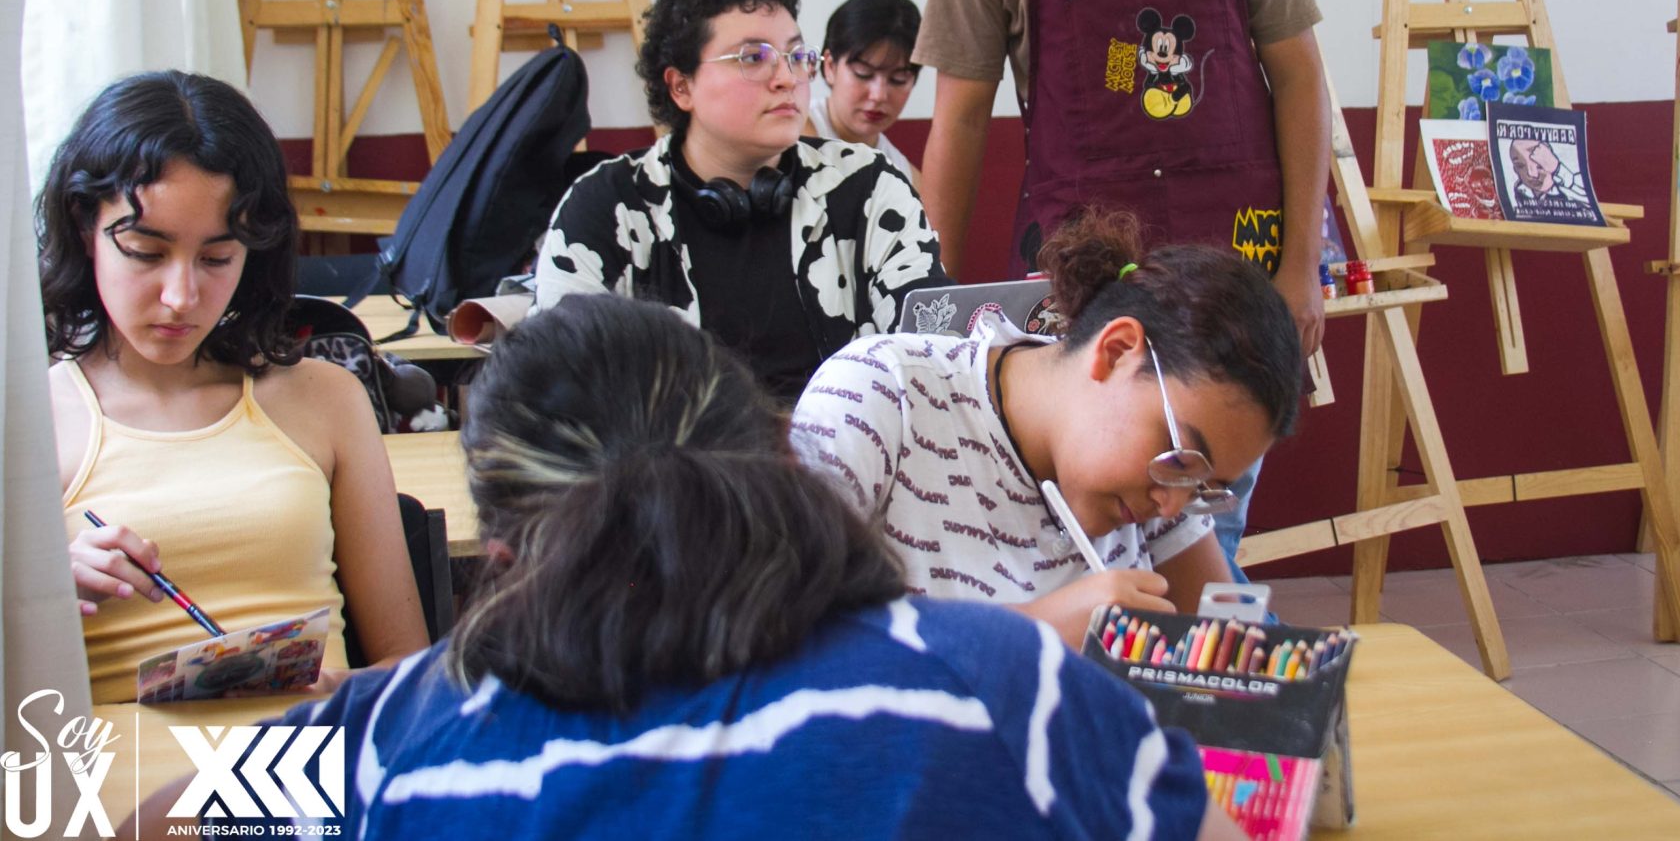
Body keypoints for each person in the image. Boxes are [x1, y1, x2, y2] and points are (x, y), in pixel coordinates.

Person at [136, 295, 1235, 840]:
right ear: (774, 457)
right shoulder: (997, 685)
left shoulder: (389, 736)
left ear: (503, 545)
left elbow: (152, 825)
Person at [914, 0, 1330, 566]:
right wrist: (928, 293)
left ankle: (1198, 652)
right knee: (1082, 534)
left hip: (1237, 272)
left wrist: (1304, 264)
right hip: (1085, 293)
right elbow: (961, 124)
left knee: (1208, 520)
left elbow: (1301, 79)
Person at [43, 71, 425, 701]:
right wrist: (36, 600)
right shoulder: (31, 422)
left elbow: (409, 673)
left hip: (304, 746)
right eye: (145, 251)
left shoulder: (325, 398)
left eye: (217, 259)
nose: (181, 296)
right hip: (113, 755)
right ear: (87, 230)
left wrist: (329, 690)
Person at [792, 210, 1301, 650]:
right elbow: (779, 637)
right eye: (1181, 460)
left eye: (1202, 488)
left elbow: (1229, 655)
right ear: (1117, 352)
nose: (1171, 505)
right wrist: (1032, 632)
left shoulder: (1153, 491)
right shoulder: (882, 392)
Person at [534, 0, 946, 401]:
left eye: (796, 57)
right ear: (681, 86)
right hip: (672, 446)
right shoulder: (609, 205)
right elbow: (553, 384)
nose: (787, 79)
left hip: (847, 442)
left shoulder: (870, 187)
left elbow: (936, 356)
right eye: (754, 58)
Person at [803, 0, 925, 189]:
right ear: (830, 66)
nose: (878, 95)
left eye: (898, 79)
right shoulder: (796, 133)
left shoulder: (906, 179)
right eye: (863, 73)